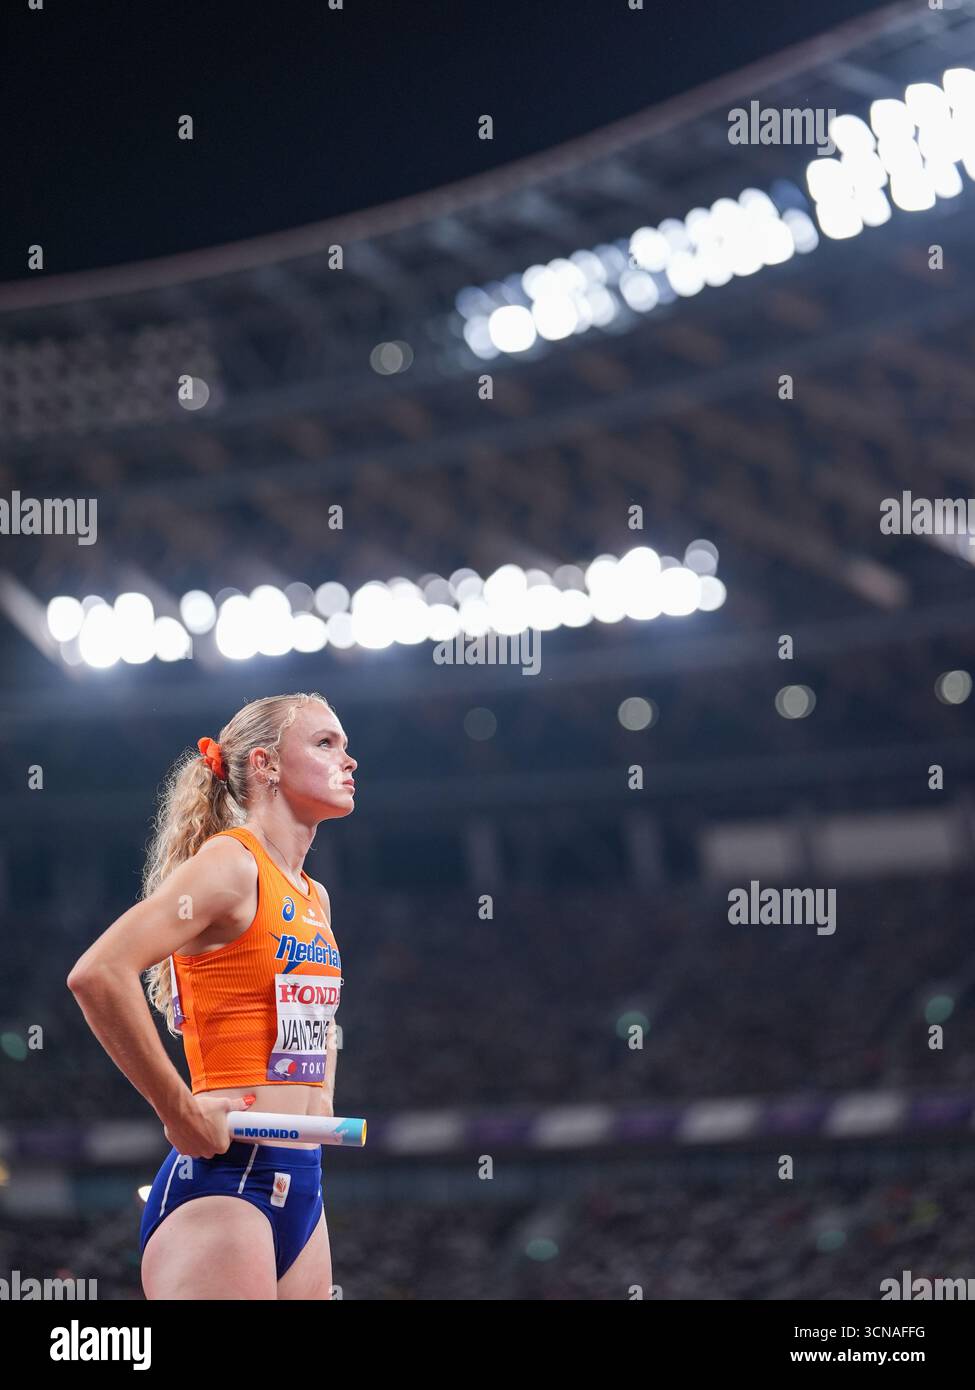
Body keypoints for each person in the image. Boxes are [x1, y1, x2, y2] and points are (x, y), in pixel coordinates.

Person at [66, 691, 356, 1300]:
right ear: (265, 764)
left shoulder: (314, 895)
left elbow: (316, 1014)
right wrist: (177, 1110)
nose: (348, 760)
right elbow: (99, 973)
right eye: (325, 743)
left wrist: (321, 1097)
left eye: (345, 745)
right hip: (225, 1182)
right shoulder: (232, 864)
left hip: (302, 1180)